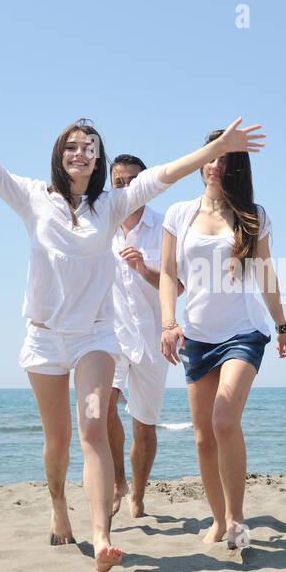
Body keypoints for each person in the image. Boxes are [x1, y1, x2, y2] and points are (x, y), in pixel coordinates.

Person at [0, 60, 264, 572]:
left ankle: (101, 537)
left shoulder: (113, 205)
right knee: (58, 442)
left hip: (97, 336)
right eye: (72, 147)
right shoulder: (33, 197)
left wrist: (215, 150)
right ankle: (58, 506)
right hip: (46, 337)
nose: (80, 153)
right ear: (59, 156)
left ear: (99, 161)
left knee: (94, 428)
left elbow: (165, 174)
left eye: (90, 149)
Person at [159, 129, 286, 550]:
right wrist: (168, 322)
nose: (215, 166)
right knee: (202, 436)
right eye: (211, 157)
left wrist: (283, 324)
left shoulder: (253, 215)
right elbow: (166, 274)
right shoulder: (178, 213)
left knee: (223, 420)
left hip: (243, 332)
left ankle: (236, 520)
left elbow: (266, 273)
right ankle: (217, 520)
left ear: (236, 167)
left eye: (225, 159)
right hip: (196, 335)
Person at [106, 153, 178, 519]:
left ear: (146, 184)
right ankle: (118, 481)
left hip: (153, 340)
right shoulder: (100, 224)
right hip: (109, 337)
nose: (126, 188)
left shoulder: (165, 227)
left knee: (144, 428)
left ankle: (137, 493)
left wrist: (143, 268)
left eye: (134, 181)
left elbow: (178, 286)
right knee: (102, 408)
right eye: (119, 182)